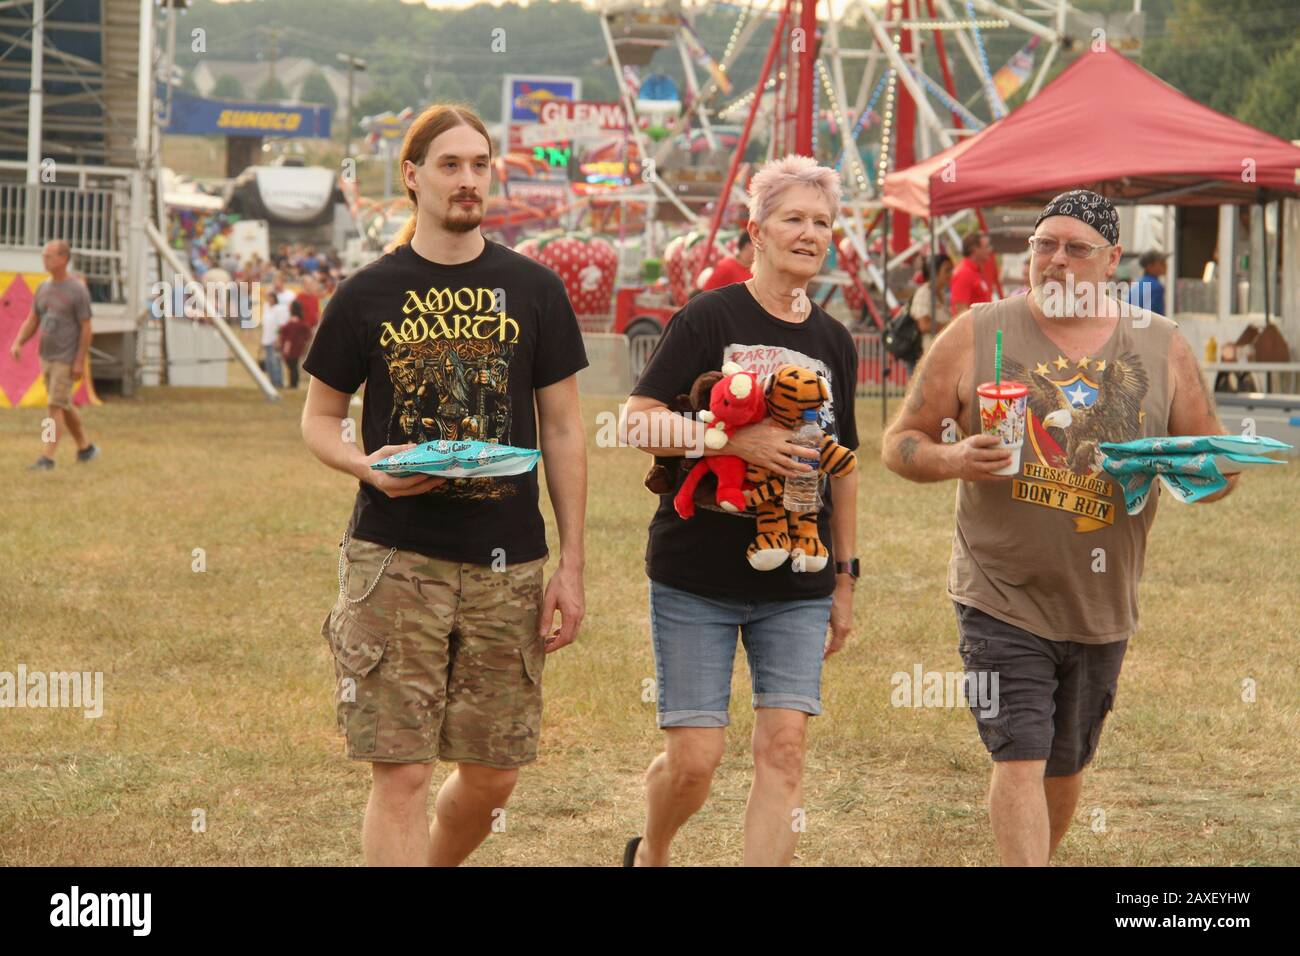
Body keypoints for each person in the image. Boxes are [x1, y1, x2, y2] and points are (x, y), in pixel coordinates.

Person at [881, 188, 1241, 866]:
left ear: (1112, 262)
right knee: (1020, 757)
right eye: (1044, 246)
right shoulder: (977, 330)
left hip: (1100, 603)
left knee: (1064, 770)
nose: (1056, 260)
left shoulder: (1161, 346)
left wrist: (1173, 465)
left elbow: (1218, 470)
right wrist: (955, 457)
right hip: (999, 593)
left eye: (1076, 249)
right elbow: (900, 442)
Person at [300, 103, 589, 867]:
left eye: (480, 164)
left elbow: (561, 429)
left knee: (494, 775)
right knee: (401, 772)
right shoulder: (368, 291)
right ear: (412, 176)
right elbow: (319, 420)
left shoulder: (534, 288)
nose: (468, 180)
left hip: (510, 564)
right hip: (396, 559)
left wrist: (572, 564)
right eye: (450, 165)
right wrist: (369, 467)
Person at [620, 154, 860, 867]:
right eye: (793, 218)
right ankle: (655, 847)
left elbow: (843, 470)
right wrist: (729, 438)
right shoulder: (709, 317)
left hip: (798, 582)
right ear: (756, 230)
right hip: (697, 574)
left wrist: (845, 579)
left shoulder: (836, 341)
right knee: (696, 757)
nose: (809, 233)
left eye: (822, 222)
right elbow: (636, 423)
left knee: (783, 751)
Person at [7, 240, 100, 470]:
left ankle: (47, 457)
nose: (44, 260)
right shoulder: (44, 288)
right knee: (63, 404)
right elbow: (33, 319)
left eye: (49, 256)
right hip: (46, 356)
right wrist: (19, 341)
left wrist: (79, 360)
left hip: (65, 358)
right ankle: (85, 448)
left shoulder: (77, 290)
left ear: (63, 259)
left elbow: (86, 327)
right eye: (44, 255)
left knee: (53, 407)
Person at [908, 253, 953, 355]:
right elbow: (924, 325)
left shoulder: (942, 294)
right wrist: (950, 327)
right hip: (929, 352)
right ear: (935, 272)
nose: (950, 274)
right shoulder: (924, 293)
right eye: (947, 270)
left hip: (941, 349)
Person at [950, 230, 994, 318]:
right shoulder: (964, 273)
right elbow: (960, 310)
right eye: (986, 247)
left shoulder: (976, 272)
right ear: (974, 249)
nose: (990, 250)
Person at [278, 299, 312, 389]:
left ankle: (293, 384)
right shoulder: (300, 321)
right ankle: (293, 383)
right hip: (298, 346)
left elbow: (289, 336)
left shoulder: (294, 322)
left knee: (292, 365)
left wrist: (287, 346)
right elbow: (307, 333)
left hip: (293, 346)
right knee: (294, 365)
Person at [260, 286, 287, 388]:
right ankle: (271, 382)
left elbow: (281, 325)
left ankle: (278, 382)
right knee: (268, 363)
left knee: (275, 361)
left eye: (270, 297)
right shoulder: (266, 308)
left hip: (274, 339)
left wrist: (278, 338)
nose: (268, 299)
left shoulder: (280, 309)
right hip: (266, 339)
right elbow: (265, 325)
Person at [1128, 250, 1167, 316]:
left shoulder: (1136, 284)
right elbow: (1157, 317)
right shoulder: (1156, 287)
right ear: (1150, 266)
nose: (1166, 265)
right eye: (1162, 263)